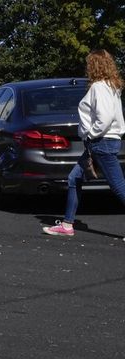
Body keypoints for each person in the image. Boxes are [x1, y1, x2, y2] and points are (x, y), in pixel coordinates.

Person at [44, 49, 125, 236]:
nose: (87, 67)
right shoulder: (112, 86)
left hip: (100, 142)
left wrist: (90, 134)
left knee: (119, 186)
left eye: (89, 63)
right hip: (103, 142)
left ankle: (67, 224)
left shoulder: (99, 87)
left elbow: (105, 117)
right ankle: (67, 225)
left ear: (94, 65)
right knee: (75, 178)